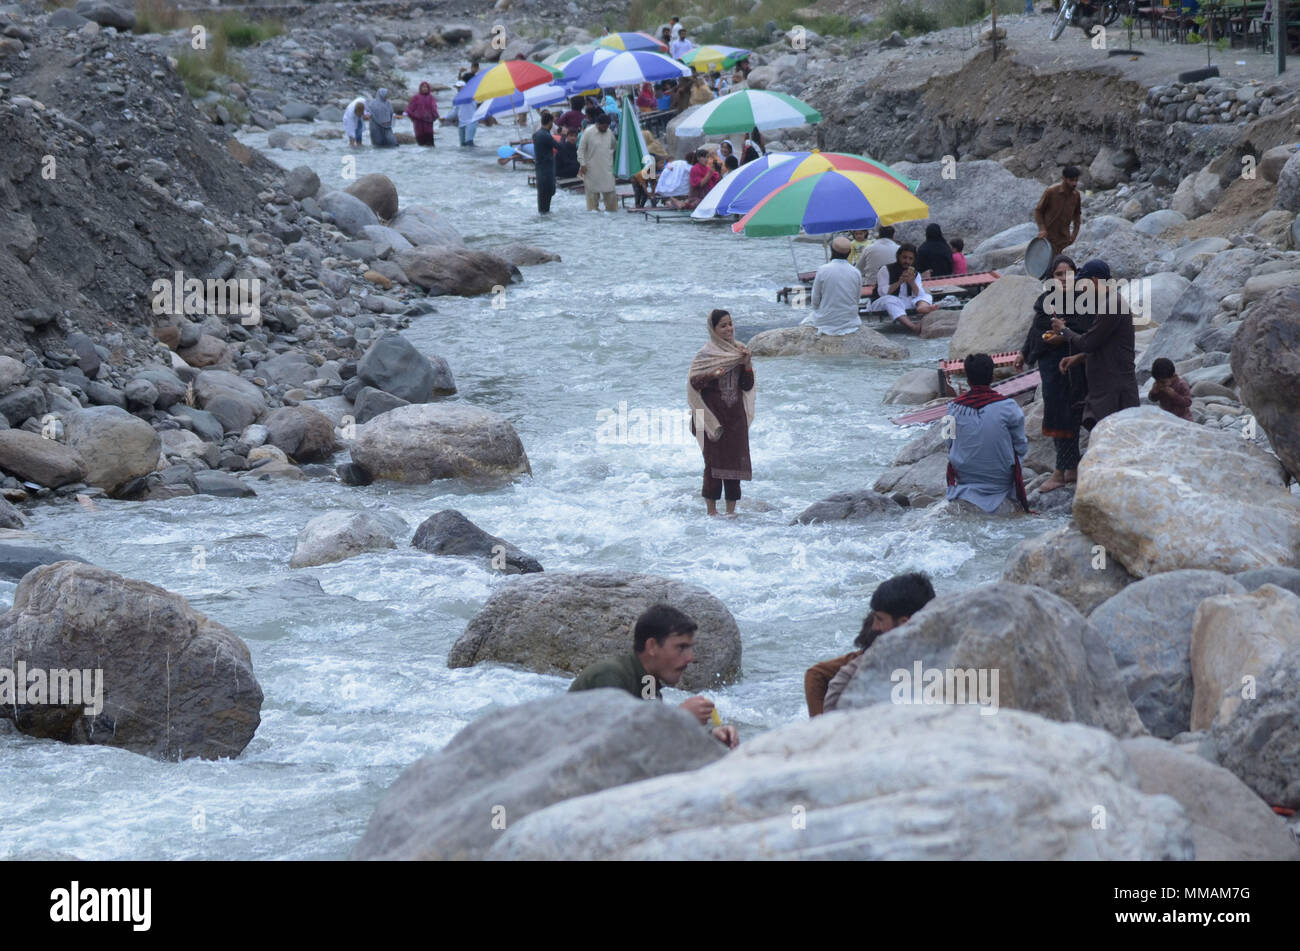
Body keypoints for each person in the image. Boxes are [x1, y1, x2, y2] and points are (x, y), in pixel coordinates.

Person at [570, 603, 738, 749]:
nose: (690, 658)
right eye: (681, 647)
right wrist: (680, 717)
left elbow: (651, 741)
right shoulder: (610, 676)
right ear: (652, 646)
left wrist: (711, 738)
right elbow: (614, 745)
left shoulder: (648, 682)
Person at [805, 573, 936, 717]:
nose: (875, 626)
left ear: (904, 623)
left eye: (879, 620)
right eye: (875, 618)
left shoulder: (946, 644)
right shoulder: (873, 654)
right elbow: (817, 675)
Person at [1015, 255, 1086, 492]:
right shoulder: (1045, 301)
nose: (1064, 279)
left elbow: (1084, 331)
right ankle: (1068, 468)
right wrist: (1024, 353)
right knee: (1055, 411)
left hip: (1072, 364)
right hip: (1049, 366)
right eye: (1058, 274)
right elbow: (1036, 330)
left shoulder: (1083, 301)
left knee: (1070, 412)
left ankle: (1061, 470)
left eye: (1068, 273)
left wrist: (1062, 335)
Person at [1051, 258, 1139, 432]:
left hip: (1114, 391)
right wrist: (1079, 358)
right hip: (1109, 388)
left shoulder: (1111, 305)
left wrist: (1063, 330)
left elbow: (1087, 342)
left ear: (1095, 281)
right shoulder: (1110, 302)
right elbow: (1104, 345)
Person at [945, 352, 1030, 515]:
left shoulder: (951, 408)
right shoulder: (1009, 406)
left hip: (965, 477)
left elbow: (948, 444)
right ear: (992, 378)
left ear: (968, 380)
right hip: (1000, 479)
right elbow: (1021, 446)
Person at [687, 309, 754, 517]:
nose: (729, 329)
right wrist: (711, 374)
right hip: (711, 419)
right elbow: (693, 383)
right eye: (723, 325)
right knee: (713, 464)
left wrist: (747, 365)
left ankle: (731, 513)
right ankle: (712, 512)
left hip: (735, 418)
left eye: (730, 324)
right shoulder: (705, 355)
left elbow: (746, 385)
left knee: (734, 464)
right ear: (713, 329)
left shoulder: (740, 351)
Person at [869, 243, 936, 334]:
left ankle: (922, 308)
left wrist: (911, 282)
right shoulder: (886, 269)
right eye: (904, 257)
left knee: (926, 296)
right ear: (898, 256)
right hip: (881, 302)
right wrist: (899, 282)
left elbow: (918, 294)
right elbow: (882, 293)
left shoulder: (915, 273)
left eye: (910, 259)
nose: (907, 261)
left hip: (904, 301)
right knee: (890, 299)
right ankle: (912, 326)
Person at [803, 236, 863, 337]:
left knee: (806, 321)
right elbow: (857, 299)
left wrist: (818, 310)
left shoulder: (823, 270)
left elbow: (815, 299)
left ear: (832, 251)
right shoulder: (856, 272)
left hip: (826, 319)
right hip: (850, 320)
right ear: (849, 253)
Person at [1035, 165, 1083, 258]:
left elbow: (1077, 216)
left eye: (1076, 180)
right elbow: (1038, 211)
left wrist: (1074, 236)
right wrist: (1042, 229)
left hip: (1065, 240)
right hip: (1048, 239)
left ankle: (1071, 274)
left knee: (1067, 267)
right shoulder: (1051, 192)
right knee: (1047, 267)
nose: (1074, 183)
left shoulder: (1076, 196)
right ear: (1064, 178)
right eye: (1071, 180)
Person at [578, 112, 617, 212]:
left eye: (607, 126)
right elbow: (580, 150)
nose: (605, 128)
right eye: (603, 126)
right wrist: (582, 164)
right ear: (597, 124)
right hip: (591, 169)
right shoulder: (588, 132)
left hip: (606, 168)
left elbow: (614, 147)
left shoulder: (609, 133)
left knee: (611, 195)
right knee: (592, 200)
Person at [532, 110, 559, 214]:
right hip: (546, 171)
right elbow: (558, 147)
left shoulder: (537, 134)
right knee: (547, 196)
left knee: (543, 198)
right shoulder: (545, 135)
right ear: (551, 123)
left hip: (541, 170)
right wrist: (564, 136)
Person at [406, 81, 439, 146]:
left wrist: (435, 116)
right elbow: (408, 110)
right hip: (419, 125)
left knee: (430, 145)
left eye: (426, 87)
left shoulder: (431, 98)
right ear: (420, 88)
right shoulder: (416, 98)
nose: (424, 88)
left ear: (428, 88)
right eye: (423, 87)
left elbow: (434, 109)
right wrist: (415, 117)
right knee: (421, 144)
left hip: (428, 124)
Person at [453, 82, 478, 146]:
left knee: (469, 142)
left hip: (471, 121)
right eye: (457, 88)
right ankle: (464, 156)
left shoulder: (471, 95)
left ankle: (473, 155)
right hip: (461, 123)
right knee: (462, 144)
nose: (458, 89)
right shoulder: (457, 97)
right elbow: (455, 111)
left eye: (459, 87)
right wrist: (445, 118)